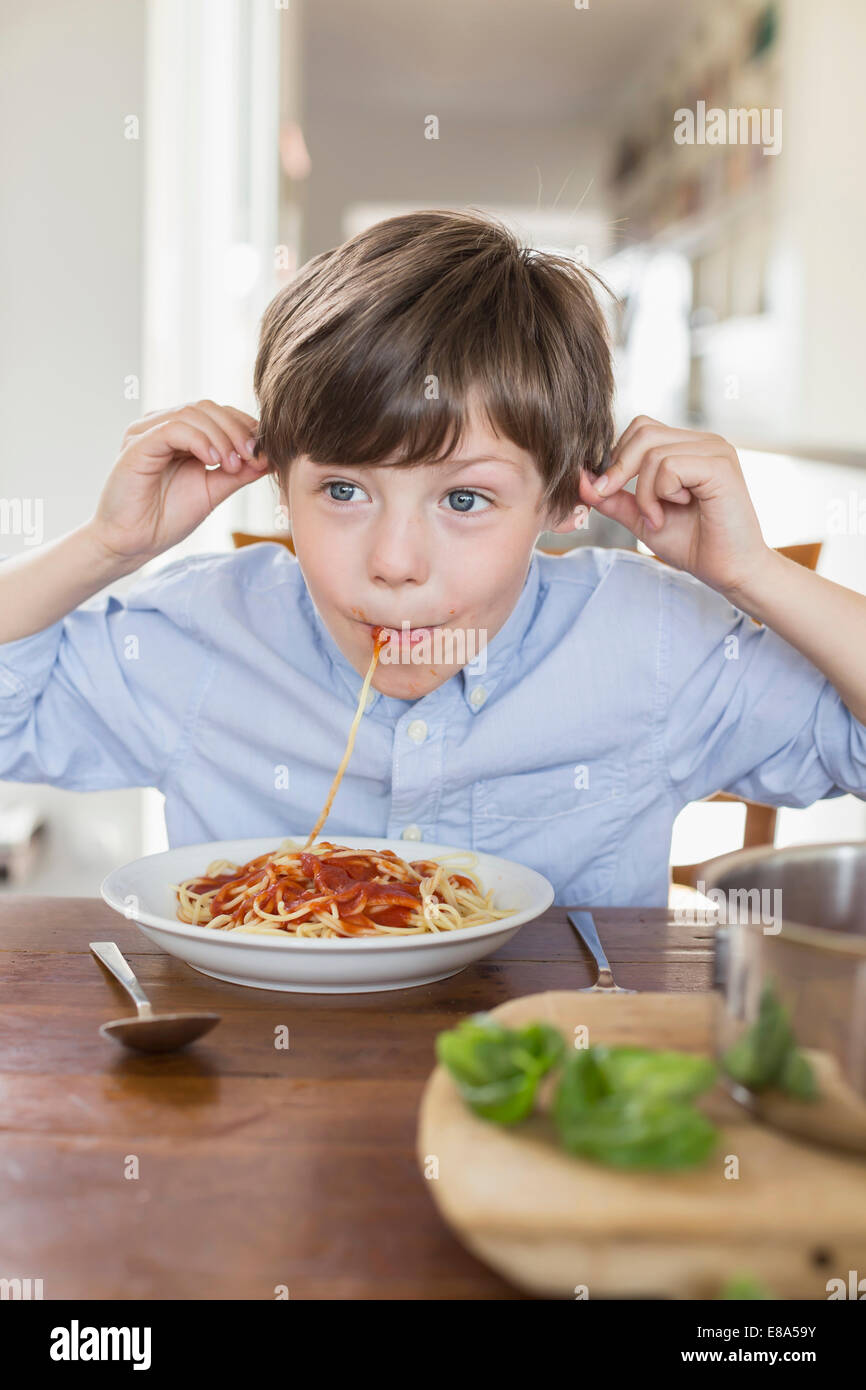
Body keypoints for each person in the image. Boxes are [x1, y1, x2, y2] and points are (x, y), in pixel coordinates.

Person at [2, 208, 865, 906]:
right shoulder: (202, 634)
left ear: (564, 501)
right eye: (343, 492)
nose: (396, 563)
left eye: (464, 500)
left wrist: (752, 573)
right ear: (278, 487)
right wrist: (104, 547)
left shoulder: (650, 644)